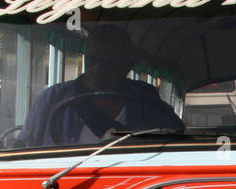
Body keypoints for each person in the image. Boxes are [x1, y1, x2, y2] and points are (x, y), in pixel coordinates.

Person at [20, 25, 183, 147]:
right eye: (92, 60)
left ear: (126, 66)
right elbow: (23, 148)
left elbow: (176, 138)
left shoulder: (144, 99)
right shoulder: (53, 98)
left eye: (108, 63)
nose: (97, 69)